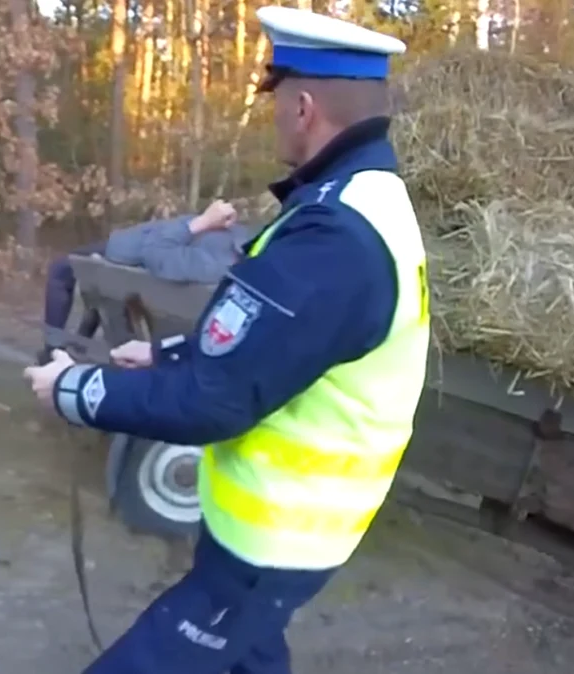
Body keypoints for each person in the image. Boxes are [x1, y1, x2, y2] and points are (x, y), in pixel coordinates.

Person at [23, 7, 429, 674]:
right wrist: (163, 353)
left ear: (303, 107)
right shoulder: (360, 202)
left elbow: (213, 401)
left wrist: (73, 389)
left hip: (274, 544)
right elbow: (274, 346)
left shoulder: (334, 236)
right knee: (253, 658)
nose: (273, 118)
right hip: (276, 532)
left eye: (275, 101)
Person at [40, 200, 252, 363]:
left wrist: (203, 221)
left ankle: (52, 348)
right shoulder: (246, 243)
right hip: (122, 265)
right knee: (101, 287)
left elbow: (156, 253)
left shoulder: (217, 265)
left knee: (61, 269)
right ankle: (72, 347)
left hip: (123, 254)